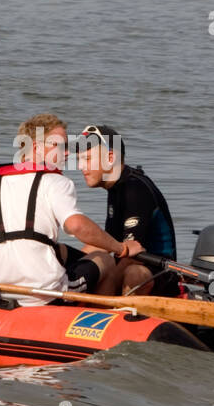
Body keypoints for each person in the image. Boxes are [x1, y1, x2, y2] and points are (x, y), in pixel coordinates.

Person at [0, 113, 140, 306]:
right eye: (59, 146)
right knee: (105, 259)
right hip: (45, 296)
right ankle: (92, 323)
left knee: (62, 250)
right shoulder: (57, 182)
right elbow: (77, 225)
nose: (67, 152)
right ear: (35, 148)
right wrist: (120, 248)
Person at [75, 124, 179, 297]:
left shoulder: (135, 190)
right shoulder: (116, 188)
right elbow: (107, 242)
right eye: (79, 159)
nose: (80, 166)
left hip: (160, 273)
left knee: (132, 272)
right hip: (131, 262)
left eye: (86, 159)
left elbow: (130, 254)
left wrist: (89, 287)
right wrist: (71, 268)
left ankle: (119, 316)